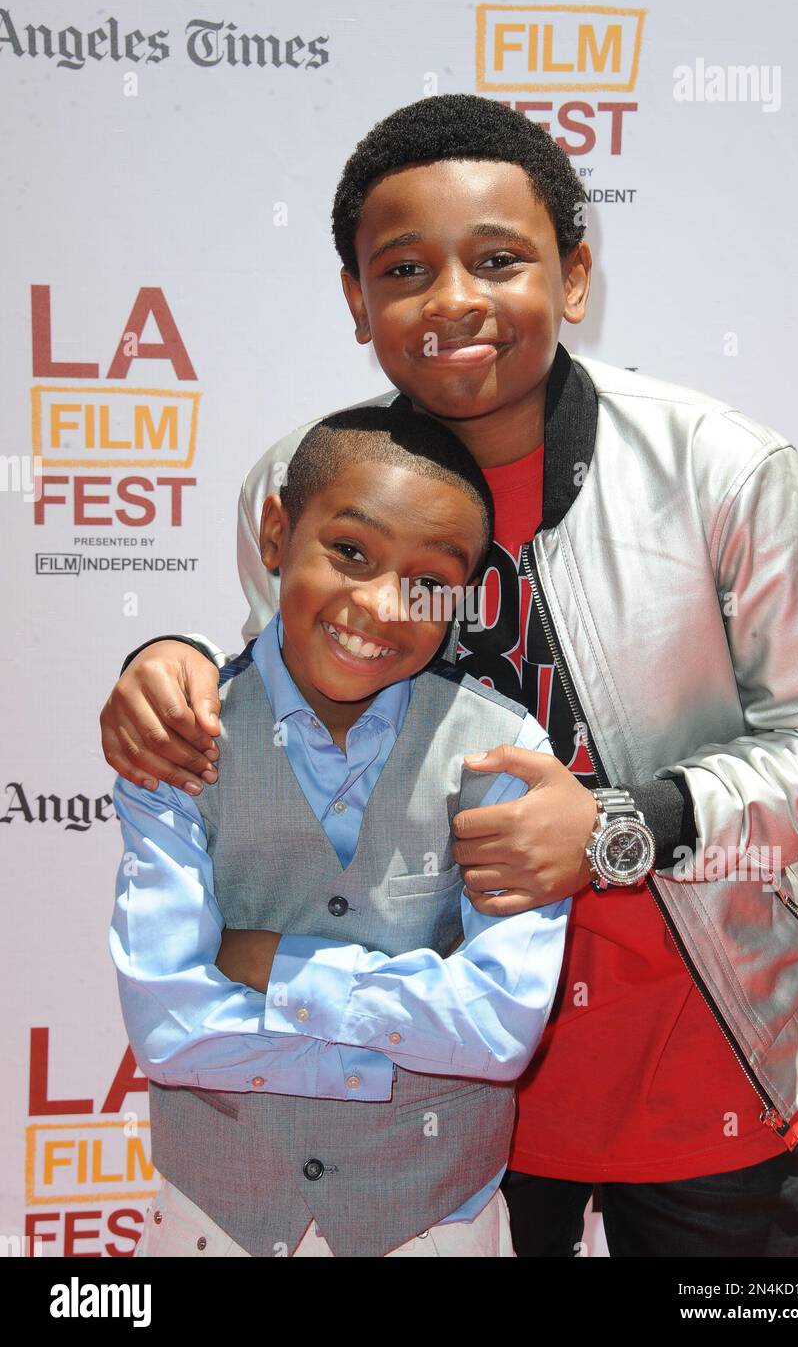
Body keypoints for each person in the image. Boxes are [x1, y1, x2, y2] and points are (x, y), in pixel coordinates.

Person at [101, 93, 798, 1258]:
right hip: (423, 1106)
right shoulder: (304, 475)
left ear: (573, 275)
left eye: (498, 260)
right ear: (356, 299)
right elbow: (290, 699)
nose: (454, 299)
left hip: (700, 1071)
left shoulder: (724, 471)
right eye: (405, 268)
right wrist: (172, 660)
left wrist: (617, 826)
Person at [109, 408, 571, 1259]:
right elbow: (170, 1027)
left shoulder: (501, 753)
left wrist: (268, 965)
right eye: (350, 551)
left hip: (436, 1223)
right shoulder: (178, 733)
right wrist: (390, 1051)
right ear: (276, 533)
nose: (380, 605)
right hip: (214, 1222)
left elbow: (498, 1030)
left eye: (428, 581)